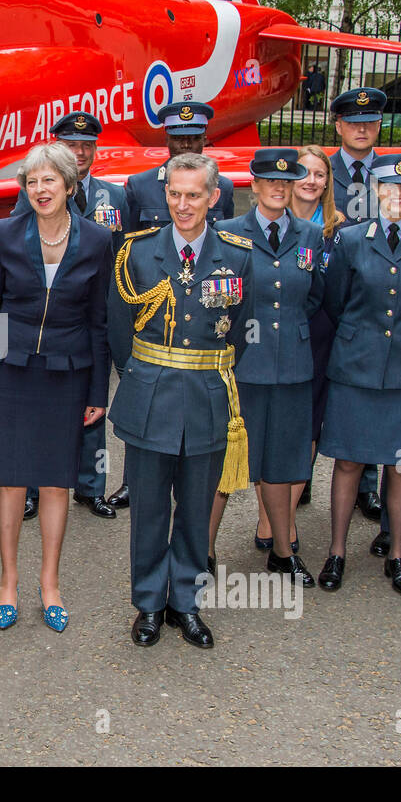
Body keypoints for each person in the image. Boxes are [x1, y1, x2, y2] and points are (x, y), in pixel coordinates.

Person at [109, 152, 253, 648]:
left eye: (194, 195)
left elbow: (242, 333)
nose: (183, 204)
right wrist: (144, 378)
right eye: (174, 193)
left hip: (209, 399)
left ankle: (185, 603)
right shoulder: (136, 252)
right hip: (151, 396)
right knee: (148, 508)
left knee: (194, 511)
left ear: (214, 198)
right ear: (164, 194)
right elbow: (118, 329)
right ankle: (149, 604)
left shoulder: (236, 255)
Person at [0, 142, 111, 633]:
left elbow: (99, 322)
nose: (40, 189)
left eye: (50, 180)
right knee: (10, 478)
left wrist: (98, 392)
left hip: (66, 373)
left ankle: (49, 582)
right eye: (32, 181)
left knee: (56, 480)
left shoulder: (97, 240)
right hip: (10, 370)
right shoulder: (6, 234)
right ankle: (8, 581)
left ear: (71, 187)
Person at [316, 154, 401, 597]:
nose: (396, 196)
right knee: (350, 461)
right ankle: (336, 551)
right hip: (357, 368)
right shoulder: (351, 240)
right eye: (387, 188)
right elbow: (336, 301)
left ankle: (397, 552)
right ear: (373, 191)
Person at [211, 150, 323, 586]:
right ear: (252, 186)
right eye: (268, 181)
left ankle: (281, 550)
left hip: (292, 368)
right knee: (224, 463)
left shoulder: (312, 236)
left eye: (286, 181)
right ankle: (201, 551)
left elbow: (317, 299)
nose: (278, 188)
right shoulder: (226, 234)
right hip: (241, 369)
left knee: (282, 463)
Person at [11, 112, 127, 519]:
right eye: (71, 145)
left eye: (87, 146)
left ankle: (90, 486)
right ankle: (29, 488)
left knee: (92, 406)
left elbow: (123, 258)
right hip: (47, 322)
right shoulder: (33, 193)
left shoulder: (115, 197)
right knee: (33, 411)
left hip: (94, 315)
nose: (80, 152)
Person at [327, 86, 390, 519]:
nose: (362, 129)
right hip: (328, 295)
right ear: (339, 126)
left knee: (369, 395)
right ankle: (301, 477)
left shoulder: (392, 173)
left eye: (369, 122)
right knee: (319, 391)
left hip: (376, 302)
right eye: (353, 122)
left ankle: (366, 483)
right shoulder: (318, 170)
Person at [295, 145, 348, 507]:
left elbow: (343, 290)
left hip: (320, 336)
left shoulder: (340, 230)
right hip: (274, 335)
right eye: (304, 172)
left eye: (319, 174)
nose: (311, 181)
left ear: (328, 181)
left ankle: (300, 480)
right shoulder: (271, 222)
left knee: (311, 417)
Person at [124, 102, 235, 230]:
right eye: (178, 138)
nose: (186, 145)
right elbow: (131, 240)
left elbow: (224, 237)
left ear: (204, 140)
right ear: (167, 140)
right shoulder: (141, 186)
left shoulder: (222, 186)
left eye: (194, 138)